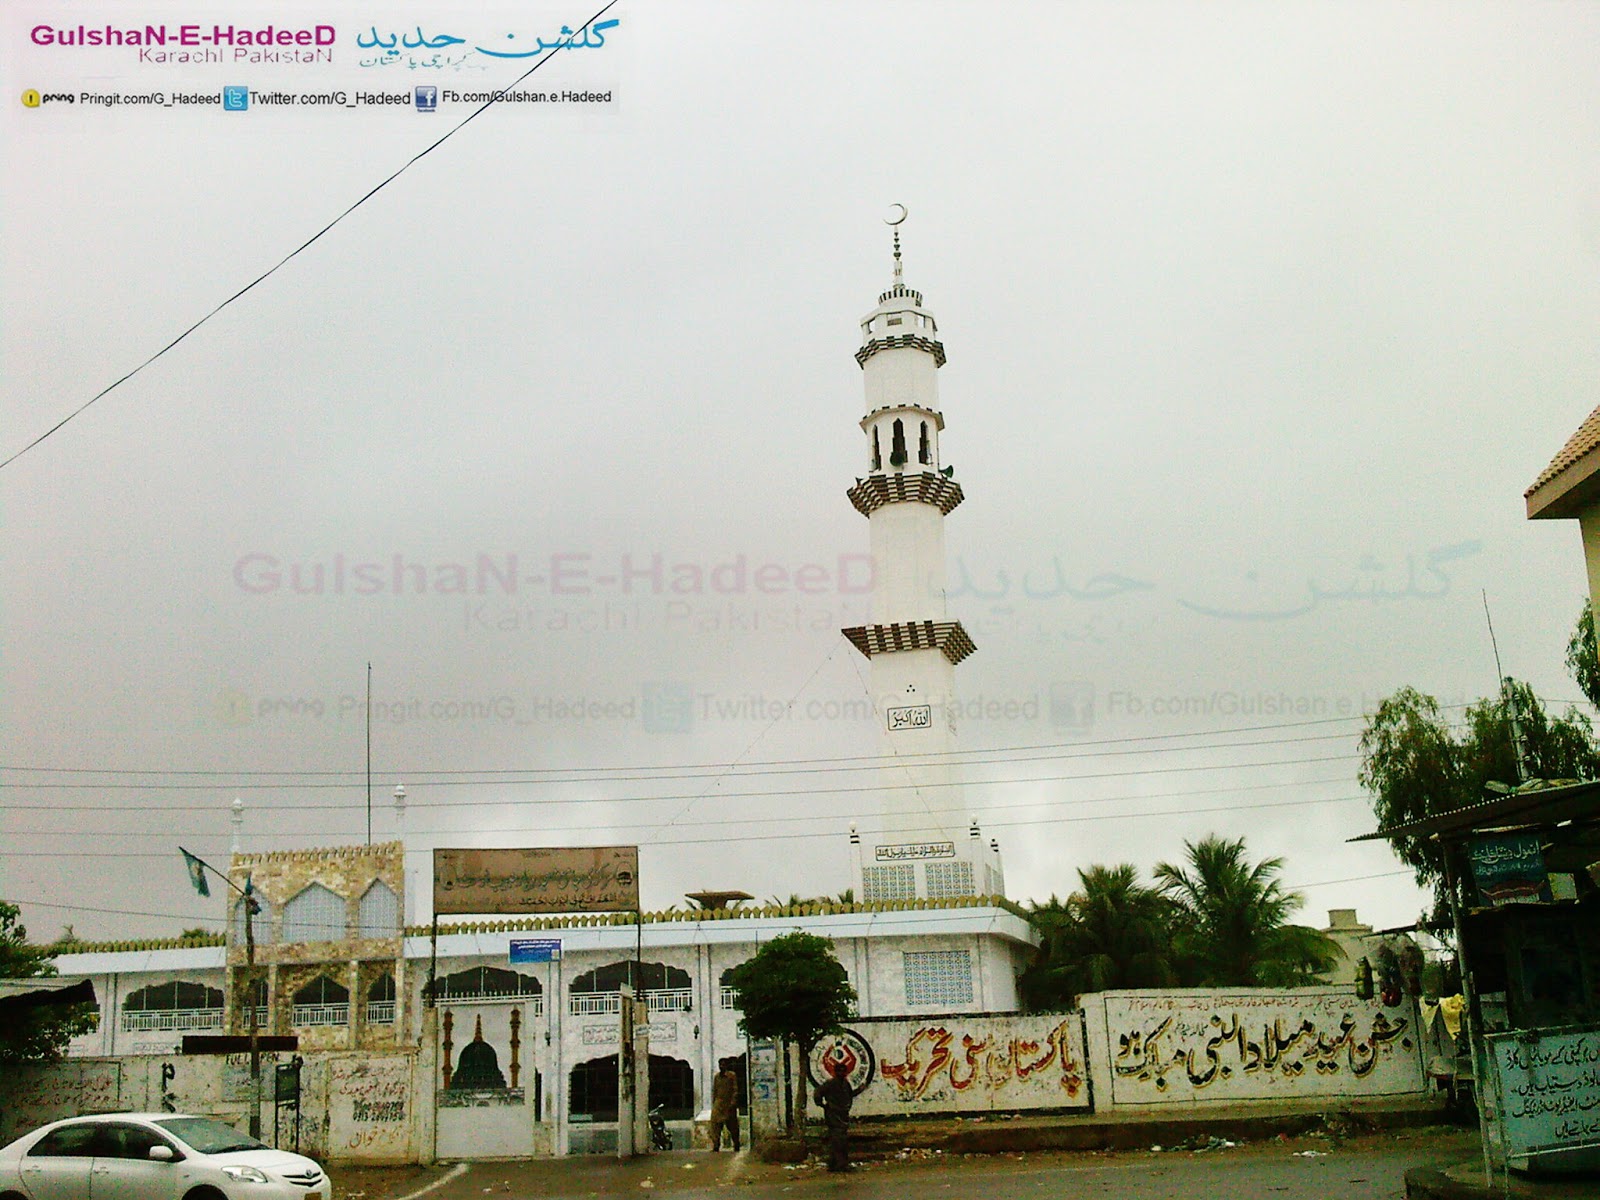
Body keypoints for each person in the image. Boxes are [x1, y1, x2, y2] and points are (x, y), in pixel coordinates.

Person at [813, 1057, 853, 1172]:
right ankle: (839, 1164)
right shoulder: (830, 1084)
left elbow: (849, 1097)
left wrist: (847, 1107)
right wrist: (823, 1105)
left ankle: (836, 1164)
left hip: (842, 1115)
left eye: (843, 1071)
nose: (841, 1073)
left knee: (841, 1140)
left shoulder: (846, 1084)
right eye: (839, 1071)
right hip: (833, 1115)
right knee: (838, 1140)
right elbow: (818, 1093)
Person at [709, 1058, 741, 1152]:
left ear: (726, 1066)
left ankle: (736, 1144)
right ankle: (716, 1145)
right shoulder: (717, 1077)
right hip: (718, 1105)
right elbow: (715, 1091)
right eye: (720, 1065)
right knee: (715, 1126)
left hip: (729, 1105)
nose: (721, 1066)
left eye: (723, 1065)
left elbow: (735, 1090)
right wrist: (714, 1103)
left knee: (732, 1126)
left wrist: (732, 1103)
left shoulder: (731, 1076)